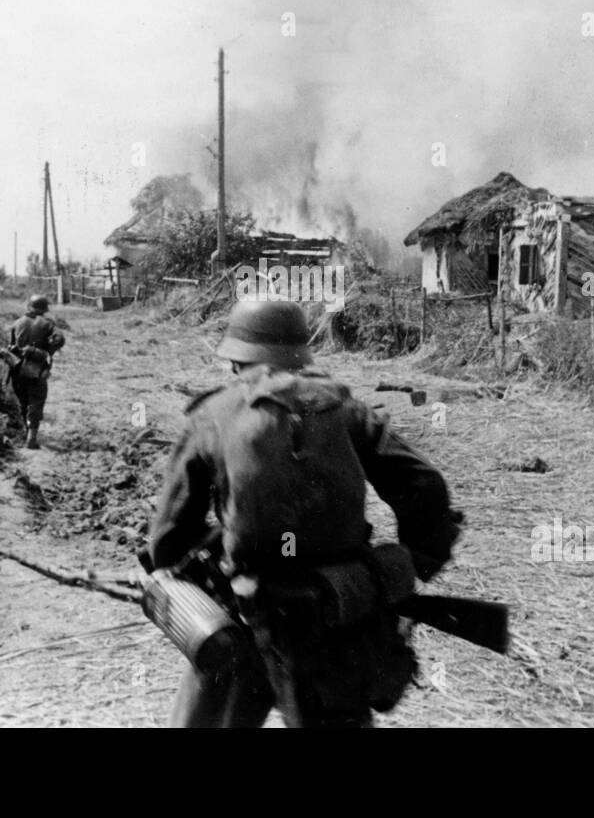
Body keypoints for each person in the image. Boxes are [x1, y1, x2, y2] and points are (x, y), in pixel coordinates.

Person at [147, 299, 462, 727]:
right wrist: (407, 566)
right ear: (301, 353)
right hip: (340, 612)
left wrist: (189, 569)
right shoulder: (346, 408)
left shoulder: (212, 414)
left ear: (236, 357)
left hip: (246, 612)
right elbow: (423, 486)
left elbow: (167, 539)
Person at [8, 294, 65, 449]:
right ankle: (31, 437)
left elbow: (10, 348)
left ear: (29, 306)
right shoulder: (48, 324)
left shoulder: (17, 323)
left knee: (23, 401)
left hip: (17, 368)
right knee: (36, 401)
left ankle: (26, 432)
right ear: (44, 309)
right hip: (36, 369)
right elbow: (60, 339)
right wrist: (48, 352)